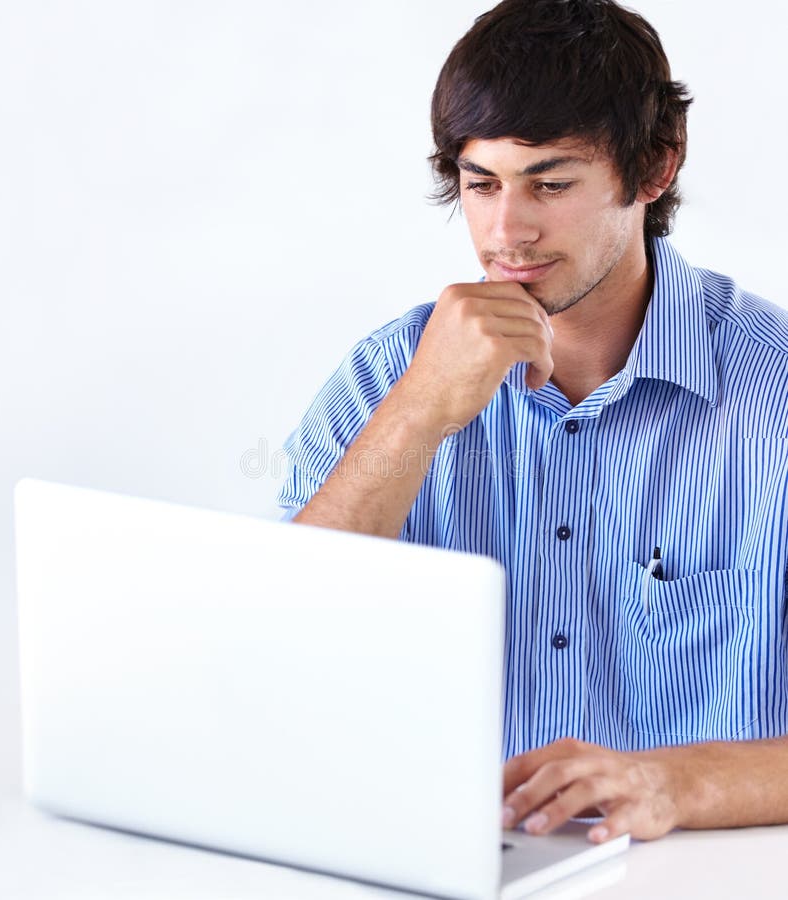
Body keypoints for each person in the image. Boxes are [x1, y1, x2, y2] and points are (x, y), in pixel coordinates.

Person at [277, 0, 788, 844]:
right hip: (436, 869)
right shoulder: (382, 378)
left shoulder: (773, 397)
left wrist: (671, 784)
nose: (505, 233)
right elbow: (275, 656)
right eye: (481, 185)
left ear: (655, 168)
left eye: (550, 183)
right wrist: (418, 415)